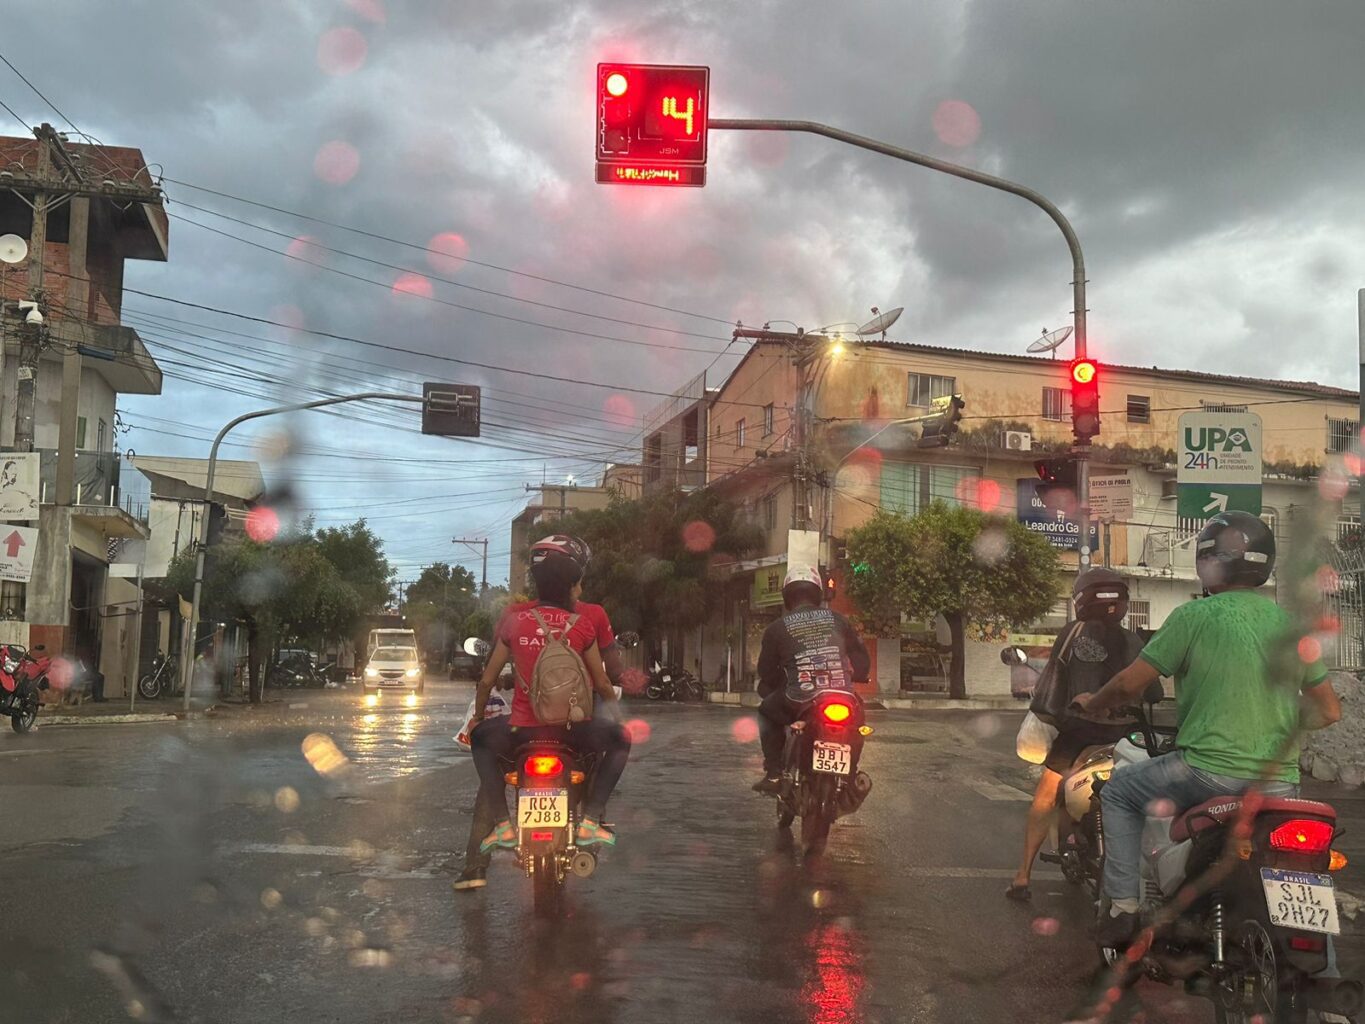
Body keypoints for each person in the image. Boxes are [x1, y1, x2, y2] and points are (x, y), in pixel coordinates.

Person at [1072, 511, 1342, 947]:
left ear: (1208, 564)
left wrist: (1093, 703)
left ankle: (1123, 908)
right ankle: (1326, 974)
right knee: (1297, 876)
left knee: (1119, 790)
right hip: (1279, 785)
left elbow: (1129, 683)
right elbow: (1328, 710)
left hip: (1206, 773)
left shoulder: (1194, 617)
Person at [463, 535, 631, 873]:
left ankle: (495, 834)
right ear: (571, 583)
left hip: (522, 730)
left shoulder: (513, 617)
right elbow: (603, 680)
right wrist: (618, 719)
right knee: (618, 742)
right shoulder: (586, 621)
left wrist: (476, 719)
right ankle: (591, 818)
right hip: (574, 728)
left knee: (484, 747)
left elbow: (486, 680)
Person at [1006, 568, 1146, 901]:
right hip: (1129, 734)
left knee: (1046, 793)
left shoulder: (1073, 632)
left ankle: (1023, 875)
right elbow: (1151, 691)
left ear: (1082, 599)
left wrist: (1052, 709)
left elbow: (1054, 680)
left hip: (1080, 732)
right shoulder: (1134, 640)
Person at [752, 566, 871, 794]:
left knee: (766, 712)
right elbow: (860, 657)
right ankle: (852, 774)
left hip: (799, 698)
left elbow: (766, 671)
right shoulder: (838, 620)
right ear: (817, 594)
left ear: (787, 596)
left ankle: (775, 774)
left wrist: (778, 682)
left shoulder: (777, 629)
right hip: (841, 696)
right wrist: (860, 675)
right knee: (857, 721)